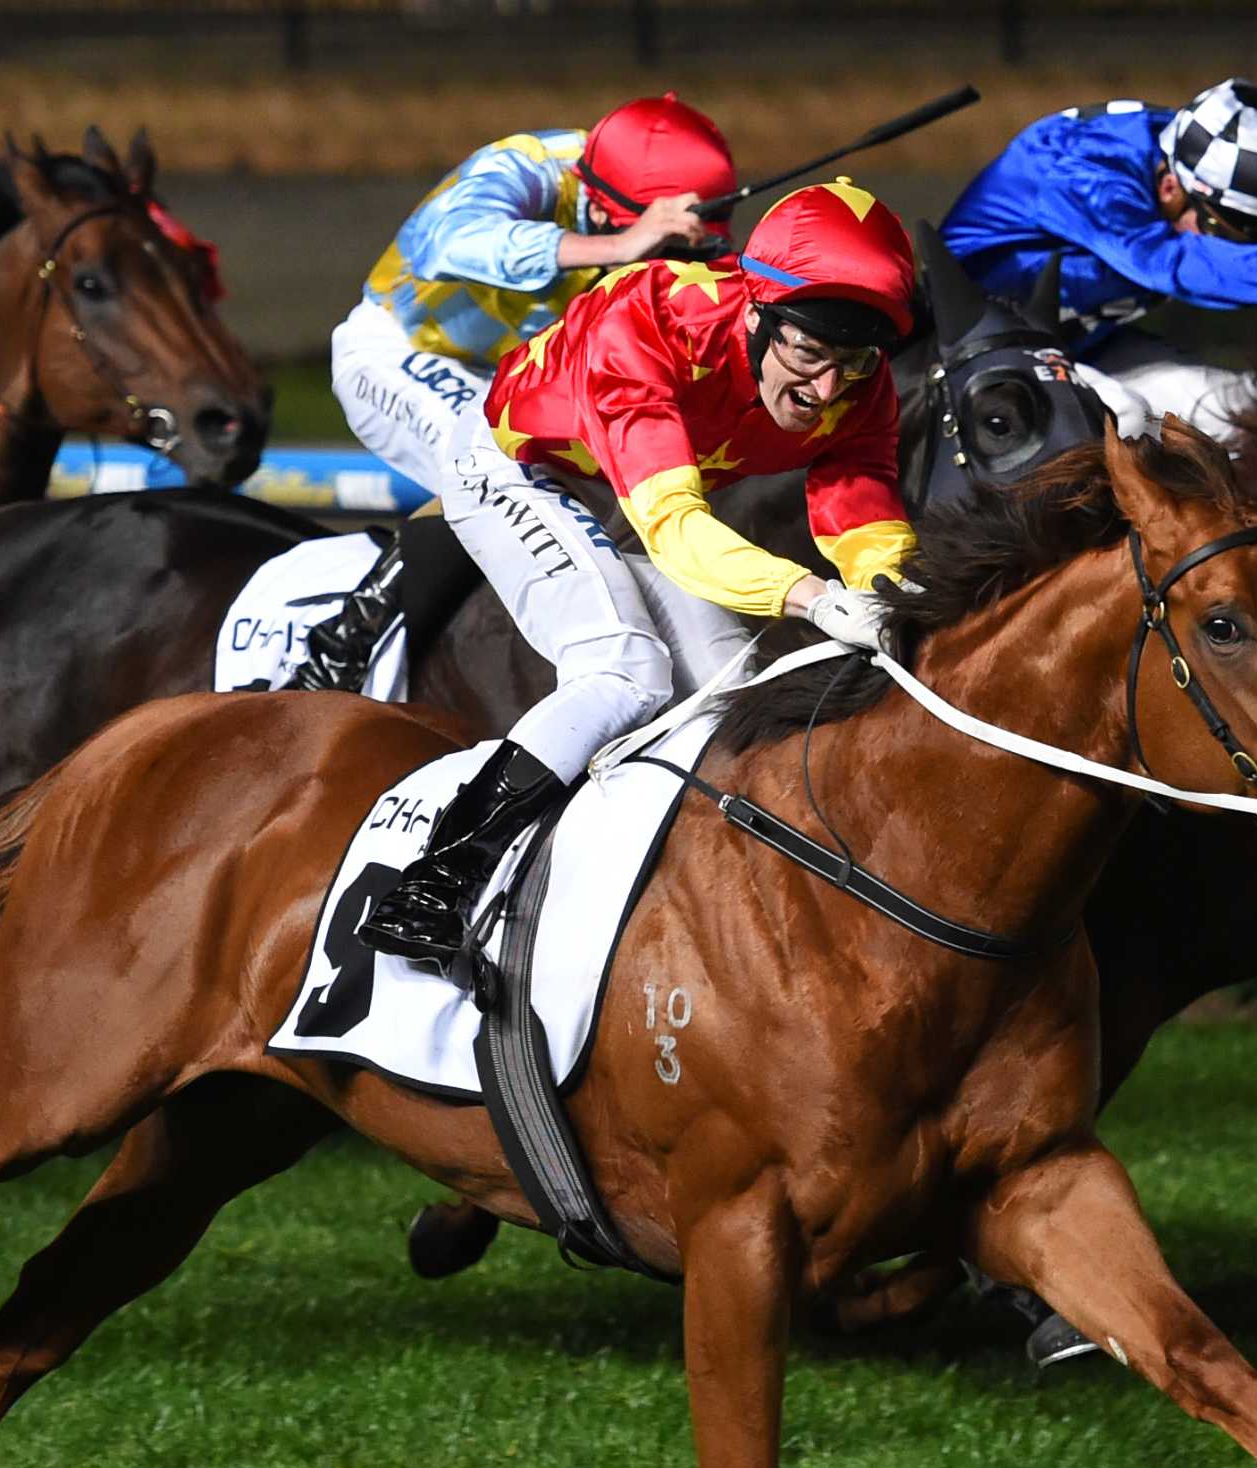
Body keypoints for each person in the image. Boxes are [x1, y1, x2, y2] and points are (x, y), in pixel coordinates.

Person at [352, 178, 920, 970]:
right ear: (755, 313)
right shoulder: (651, 320)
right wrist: (816, 598)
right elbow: (678, 531)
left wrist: (890, 588)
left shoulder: (859, 384)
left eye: (854, 362)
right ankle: (438, 879)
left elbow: (858, 498)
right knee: (625, 668)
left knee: (734, 687)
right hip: (522, 470)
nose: (829, 389)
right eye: (811, 354)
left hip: (644, 490)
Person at [299, 94, 739, 692]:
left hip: (515, 379)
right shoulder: (531, 164)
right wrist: (619, 249)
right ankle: (346, 641)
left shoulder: (648, 208)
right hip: (399, 350)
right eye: (660, 247)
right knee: (487, 459)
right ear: (614, 212)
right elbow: (447, 241)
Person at [935, 78, 1257, 444]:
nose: (1240, 250)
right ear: (1170, 190)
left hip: (1076, 345)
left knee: (1242, 410)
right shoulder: (1083, 169)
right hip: (969, 356)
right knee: (1123, 420)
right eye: (1228, 235)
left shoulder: (1196, 166)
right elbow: (1170, 261)